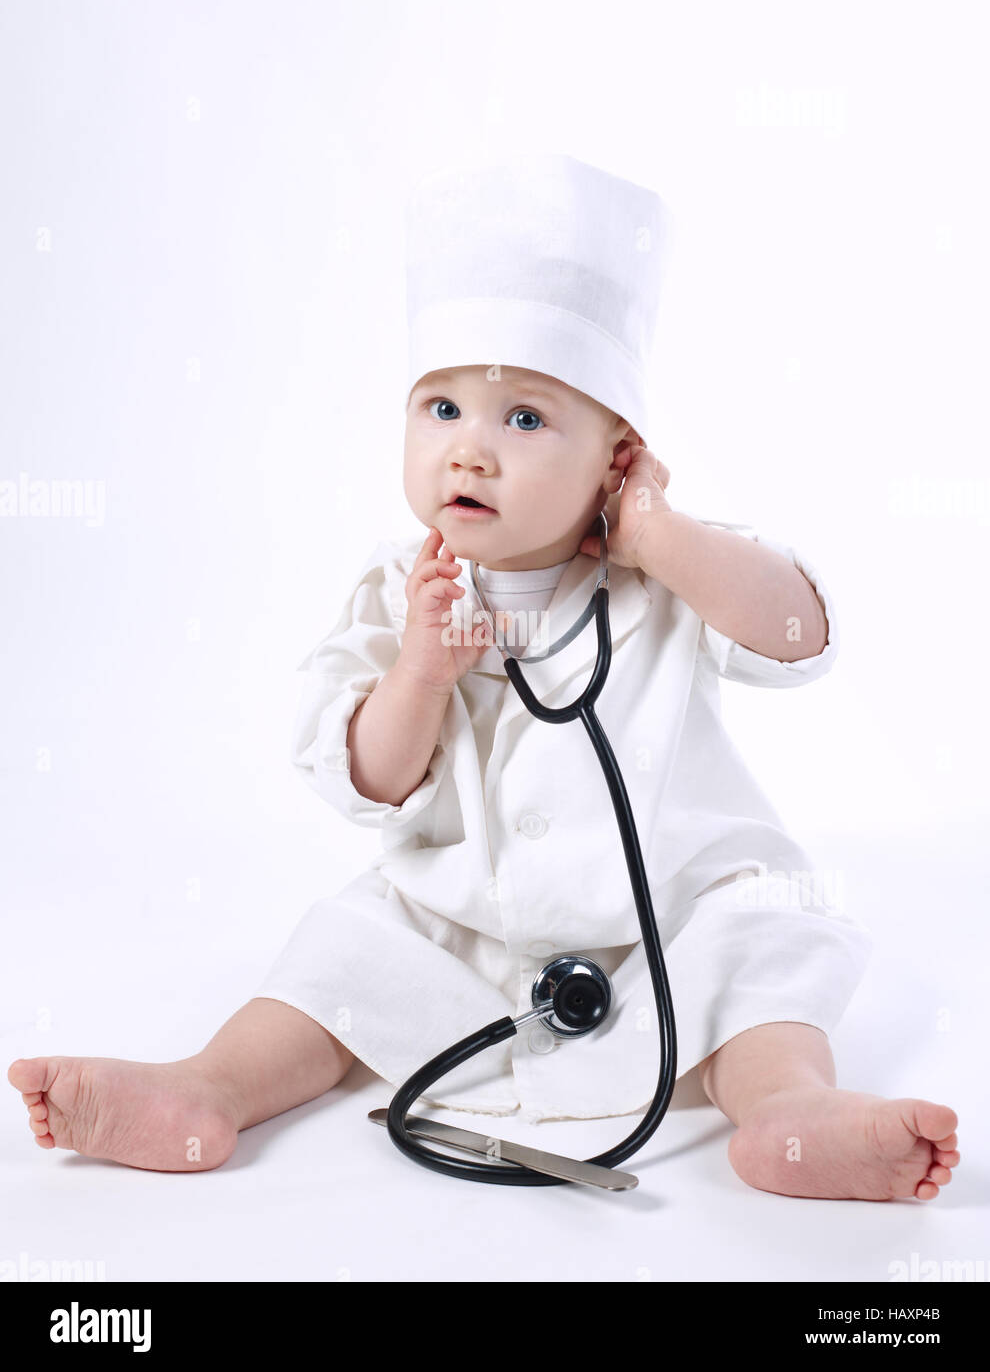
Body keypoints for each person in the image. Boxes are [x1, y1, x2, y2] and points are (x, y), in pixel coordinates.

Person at [8, 156, 959, 1200]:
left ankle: (788, 1108)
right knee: (341, 950)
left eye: (523, 419)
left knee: (761, 944)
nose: (470, 453)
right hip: (459, 929)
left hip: (668, 923)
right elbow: (365, 777)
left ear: (619, 456)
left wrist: (662, 535)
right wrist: (420, 672)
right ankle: (208, 1088)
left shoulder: (672, 573)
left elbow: (799, 634)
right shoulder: (397, 590)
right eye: (441, 408)